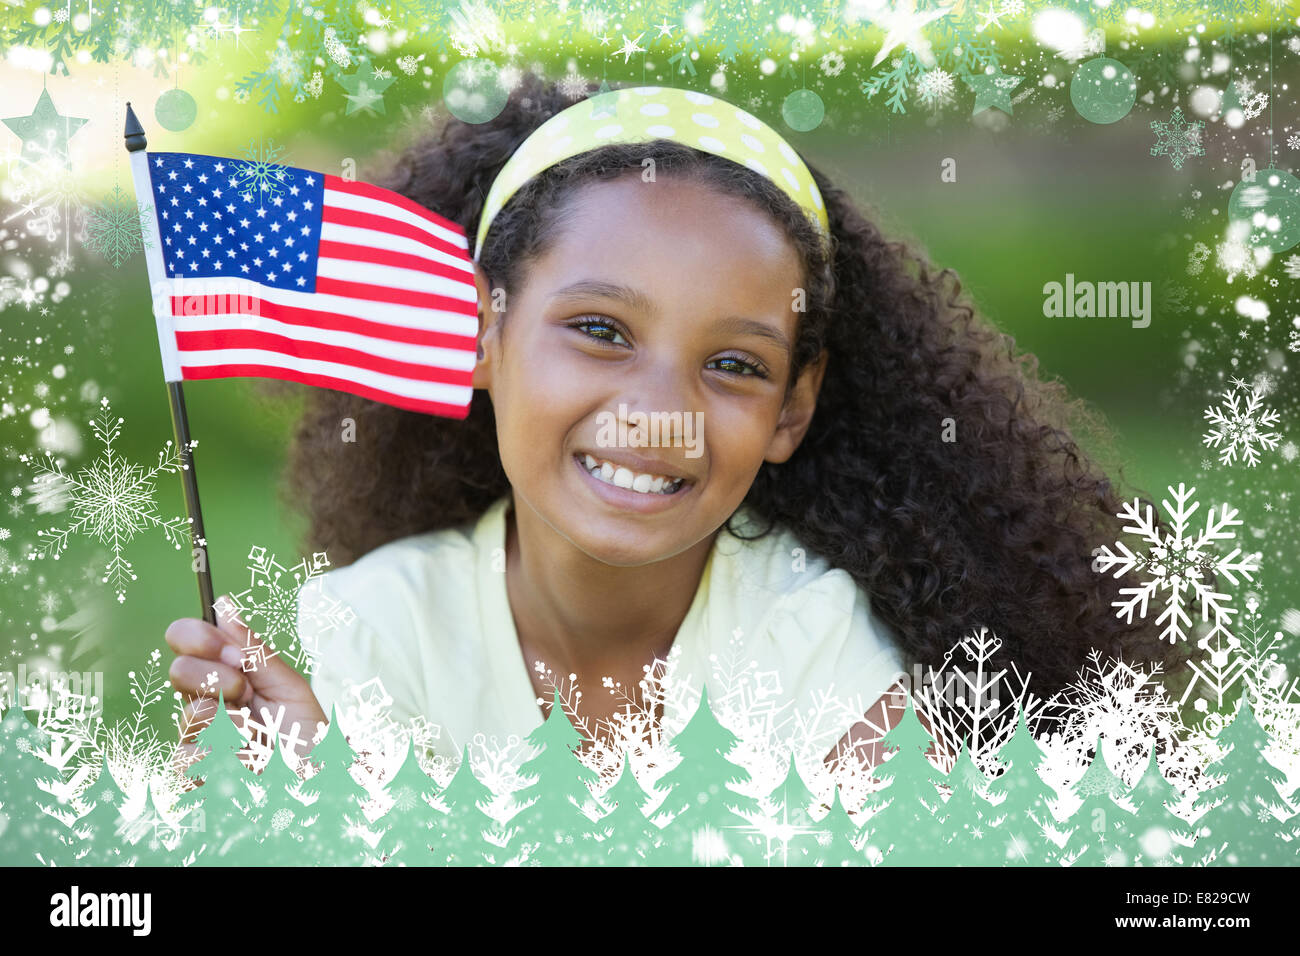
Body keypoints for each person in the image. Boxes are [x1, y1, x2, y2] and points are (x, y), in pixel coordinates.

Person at [165, 75, 1186, 779]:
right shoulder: (384, 624)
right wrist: (305, 796)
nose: (657, 411)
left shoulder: (816, 642)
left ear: (792, 406)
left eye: (733, 364)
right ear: (481, 333)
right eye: (601, 330)